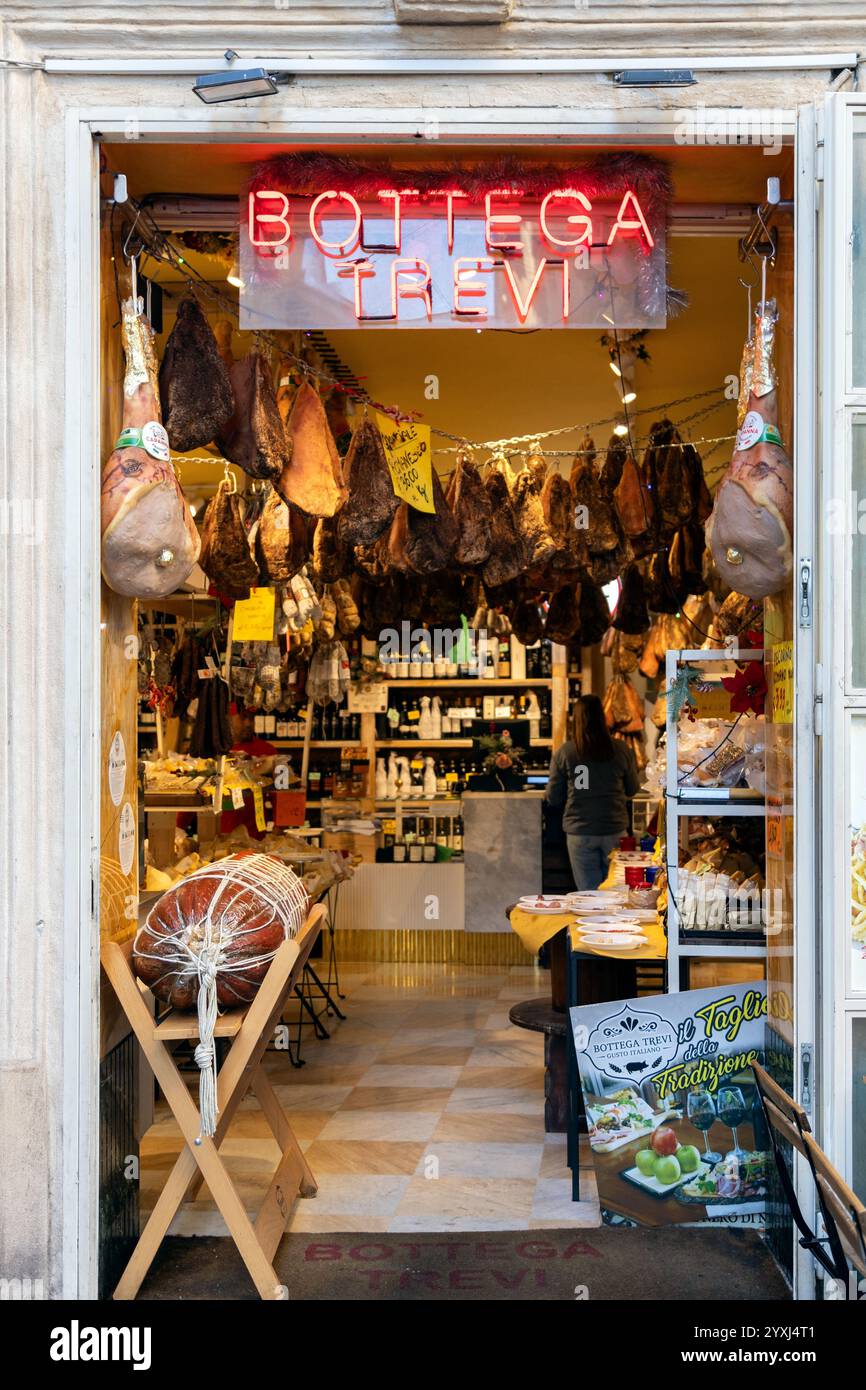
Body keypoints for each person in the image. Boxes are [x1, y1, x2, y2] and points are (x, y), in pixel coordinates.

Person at [545, 693, 641, 891]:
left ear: (576, 720)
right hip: (615, 830)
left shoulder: (565, 752)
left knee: (589, 895)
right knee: (617, 893)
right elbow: (632, 789)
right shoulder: (622, 750)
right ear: (603, 717)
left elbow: (553, 798)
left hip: (580, 832)